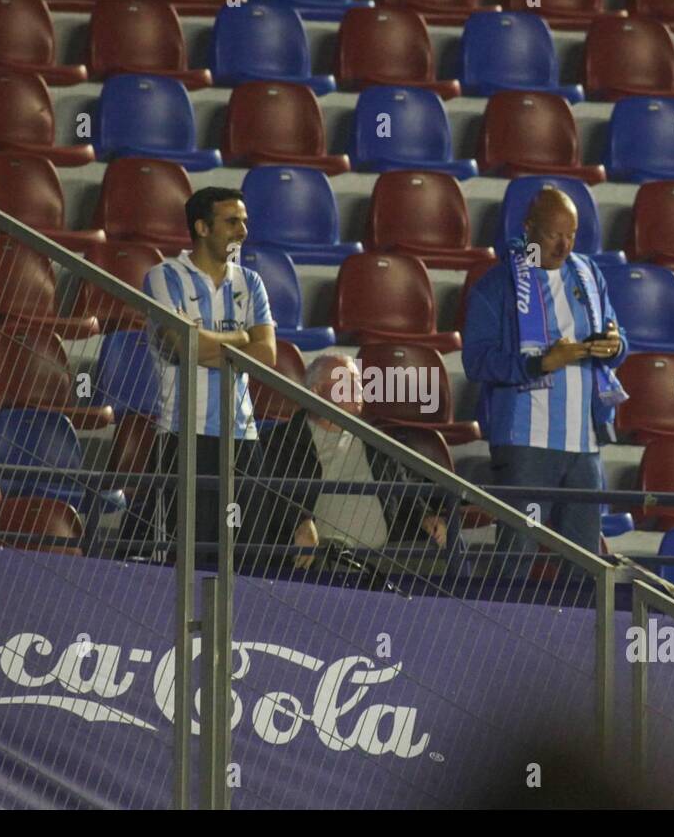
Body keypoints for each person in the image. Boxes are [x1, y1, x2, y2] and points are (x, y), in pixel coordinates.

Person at [461, 186, 627, 569]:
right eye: (554, 234)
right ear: (528, 228)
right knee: (516, 560)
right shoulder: (497, 285)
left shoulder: (588, 275)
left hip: (585, 445)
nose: (564, 245)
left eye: (571, 234)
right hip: (526, 444)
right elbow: (477, 361)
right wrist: (538, 364)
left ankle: (584, 631)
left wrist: (614, 346)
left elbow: (619, 337)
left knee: (586, 567)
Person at [122, 186, 277, 561]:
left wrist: (212, 341)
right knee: (179, 556)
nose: (242, 231)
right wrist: (241, 336)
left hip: (242, 438)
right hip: (184, 433)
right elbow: (183, 346)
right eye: (232, 222)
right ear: (202, 228)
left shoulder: (250, 282)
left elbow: (267, 355)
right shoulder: (165, 276)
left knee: (240, 556)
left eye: (244, 221)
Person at [260, 354, 450, 573]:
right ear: (316, 391)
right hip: (328, 560)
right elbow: (271, 495)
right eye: (346, 380)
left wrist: (427, 517)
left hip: (384, 560)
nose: (358, 387)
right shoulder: (282, 442)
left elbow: (406, 492)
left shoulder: (375, 442)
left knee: (451, 546)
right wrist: (299, 522)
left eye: (359, 381)